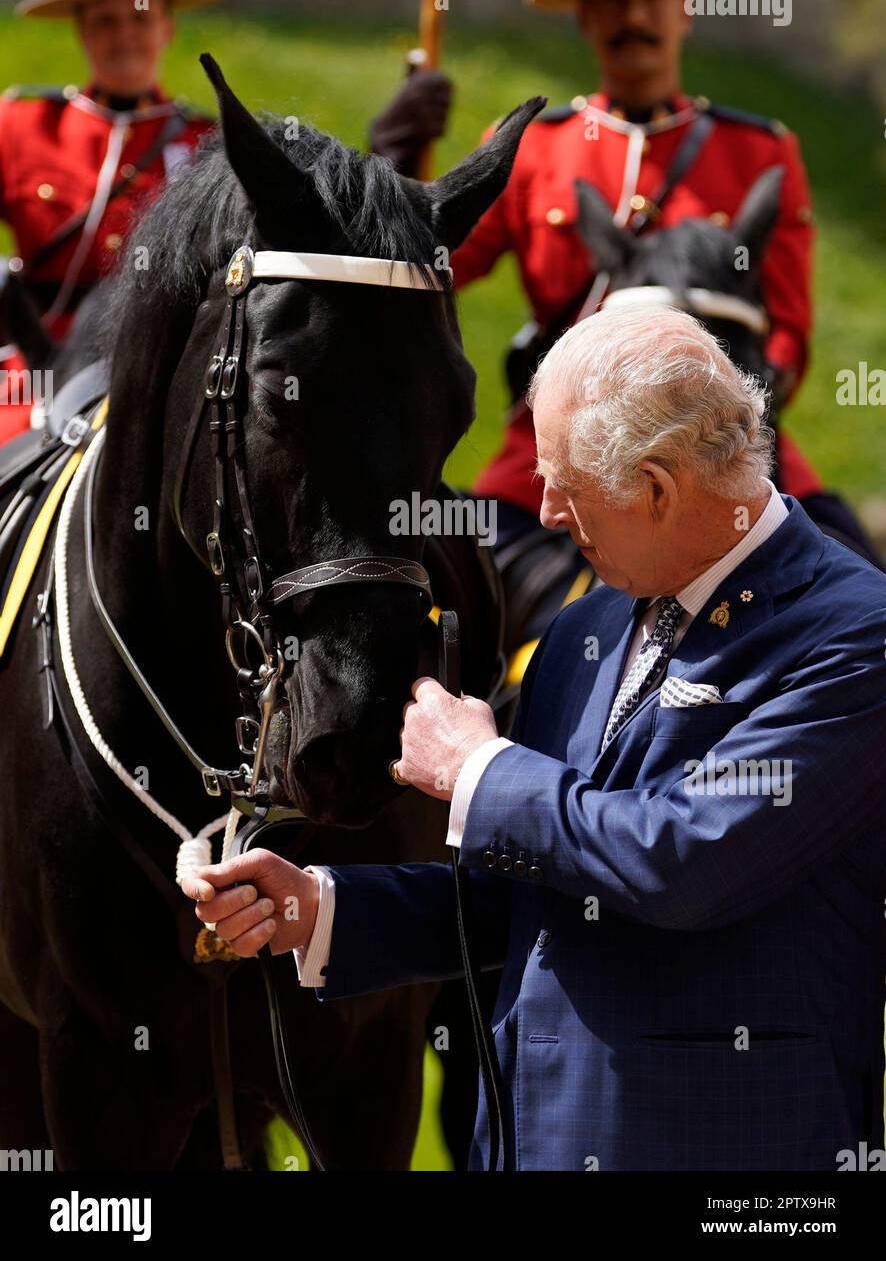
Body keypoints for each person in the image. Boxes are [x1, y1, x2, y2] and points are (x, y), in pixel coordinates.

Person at [183, 305, 886, 1171]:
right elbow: (529, 892)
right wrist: (316, 908)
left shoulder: (854, 637)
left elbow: (680, 861)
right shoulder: (582, 628)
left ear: (658, 488)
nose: (545, 511)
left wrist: (481, 767)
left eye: (566, 484)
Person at [371, 0, 875, 559]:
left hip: (727, 454)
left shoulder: (757, 152)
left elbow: (787, 333)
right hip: (553, 468)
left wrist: (722, 435)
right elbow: (429, 270)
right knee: (446, 590)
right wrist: (394, 170)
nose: (633, 16)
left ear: (686, 5)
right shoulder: (533, 147)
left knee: (859, 591)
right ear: (583, 16)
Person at [0, 0, 230, 442]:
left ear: (166, 27)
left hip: (156, 368)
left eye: (140, 18)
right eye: (105, 21)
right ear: (81, 32)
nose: (124, 36)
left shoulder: (208, 144)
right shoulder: (22, 125)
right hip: (34, 368)